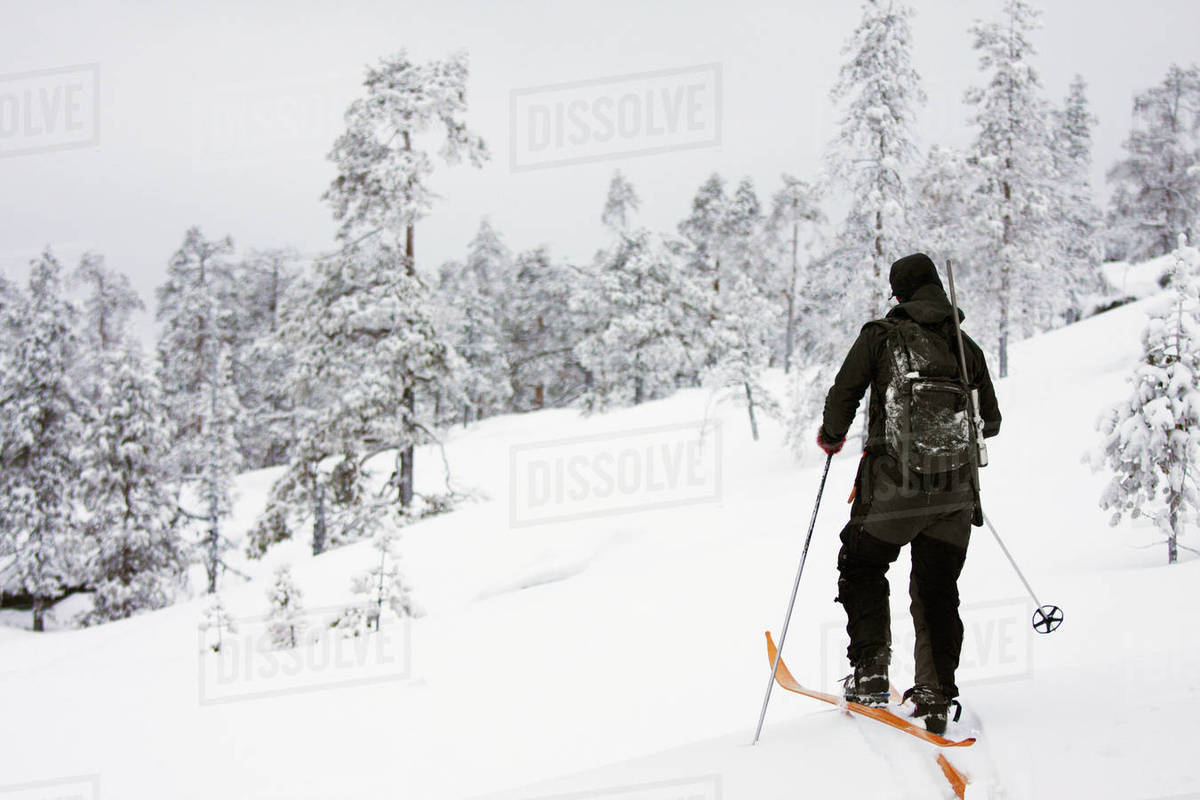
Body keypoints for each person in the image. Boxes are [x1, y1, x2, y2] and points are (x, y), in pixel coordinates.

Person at [816, 253, 1001, 734]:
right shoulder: (967, 348)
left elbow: (844, 392)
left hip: (892, 487)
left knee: (862, 562)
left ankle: (871, 672)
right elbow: (992, 422)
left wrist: (831, 436)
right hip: (955, 494)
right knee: (938, 590)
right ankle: (935, 695)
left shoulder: (880, 335)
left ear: (898, 295)